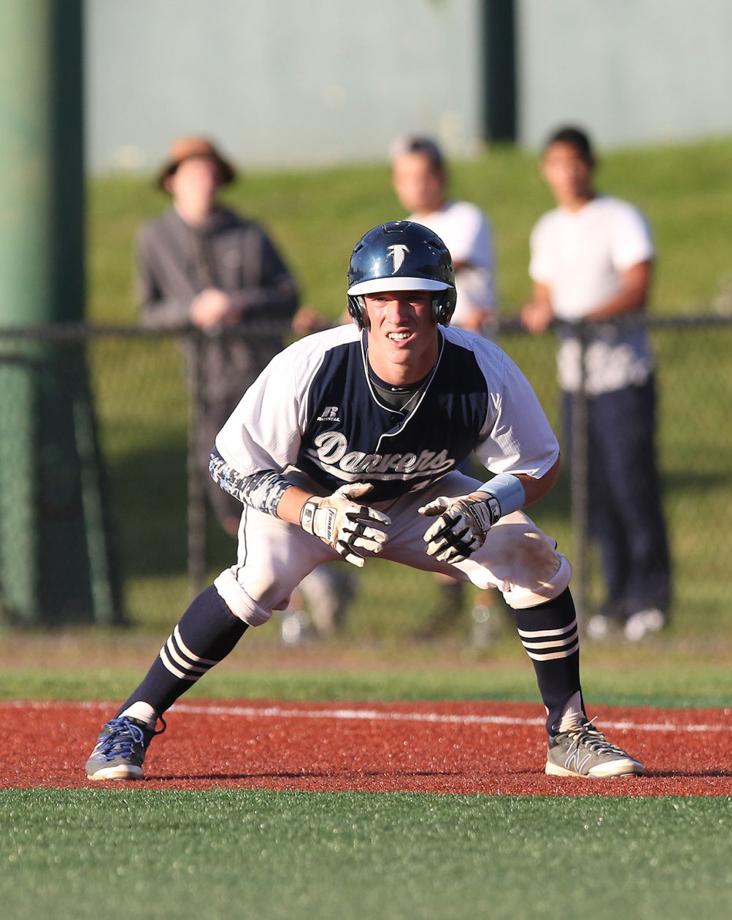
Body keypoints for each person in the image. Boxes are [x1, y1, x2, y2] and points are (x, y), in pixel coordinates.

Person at [85, 220, 645, 781]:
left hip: (424, 496)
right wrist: (310, 509)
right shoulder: (314, 365)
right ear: (359, 307)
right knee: (257, 580)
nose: (397, 315)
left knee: (529, 554)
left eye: (414, 298)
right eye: (380, 298)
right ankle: (133, 719)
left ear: (441, 304)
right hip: (313, 497)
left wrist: (487, 504)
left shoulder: (481, 368)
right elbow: (228, 463)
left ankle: (568, 734)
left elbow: (539, 464)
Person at [135, 135, 355, 640]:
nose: (203, 183)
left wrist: (235, 303)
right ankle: (314, 583)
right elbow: (148, 311)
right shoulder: (154, 237)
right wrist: (192, 311)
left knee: (283, 482)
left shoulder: (249, 233)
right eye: (192, 173)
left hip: (261, 376)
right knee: (230, 495)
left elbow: (285, 292)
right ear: (172, 181)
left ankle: (297, 604)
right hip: (208, 382)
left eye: (210, 173)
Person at [521, 125, 671, 643]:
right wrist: (541, 313)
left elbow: (638, 286)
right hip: (575, 380)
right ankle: (613, 596)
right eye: (555, 163)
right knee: (593, 492)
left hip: (621, 377)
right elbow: (545, 295)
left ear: (590, 164)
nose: (566, 173)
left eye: (574, 162)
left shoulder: (620, 218)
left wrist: (583, 318)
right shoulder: (547, 229)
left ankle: (651, 597)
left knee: (633, 487)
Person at [390, 135, 501, 643]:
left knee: (479, 487)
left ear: (441, 176)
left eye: (423, 175)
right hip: (419, 377)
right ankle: (451, 598)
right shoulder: (401, 231)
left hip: (465, 372)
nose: (416, 185)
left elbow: (448, 264)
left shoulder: (465, 218)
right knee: (433, 486)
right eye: (406, 176)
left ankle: (488, 599)